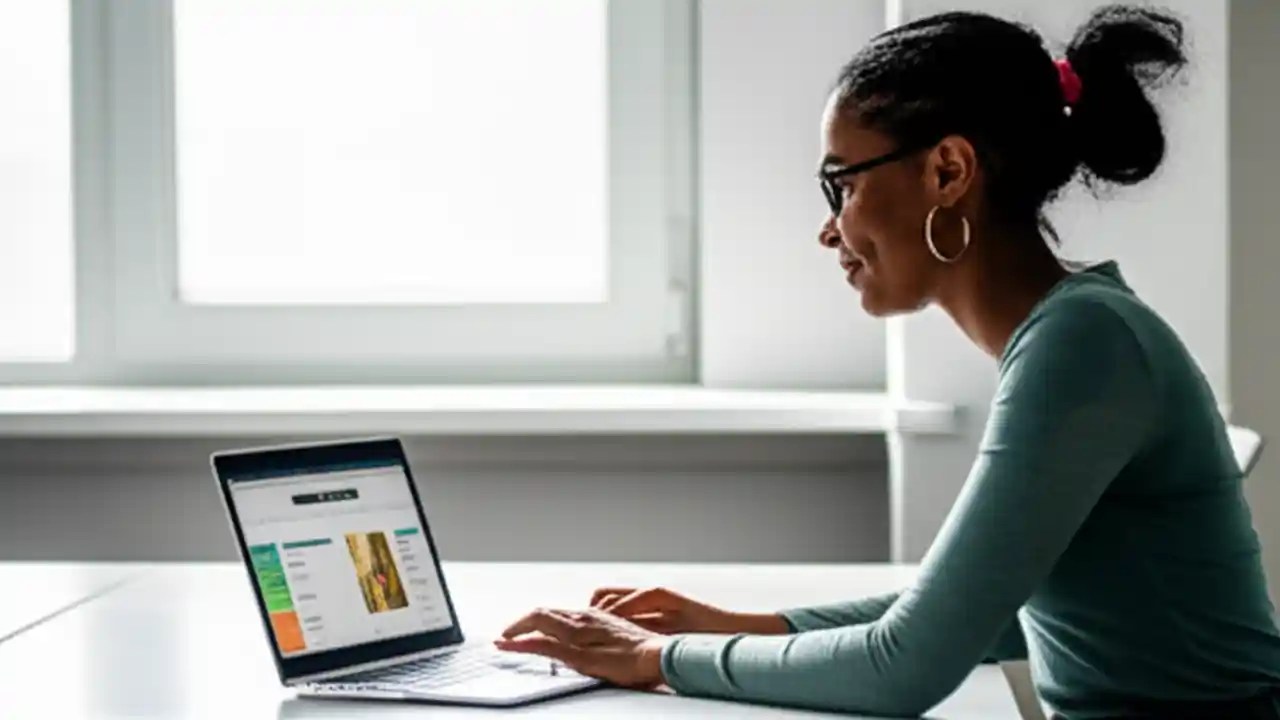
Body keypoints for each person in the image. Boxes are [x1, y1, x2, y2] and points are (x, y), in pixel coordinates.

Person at [496, 5, 1280, 718]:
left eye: (841, 183)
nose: (829, 229)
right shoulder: (1077, 331)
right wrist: (743, 627)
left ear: (947, 171)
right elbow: (1001, 610)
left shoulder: (1082, 346)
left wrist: (655, 659)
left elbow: (904, 669)